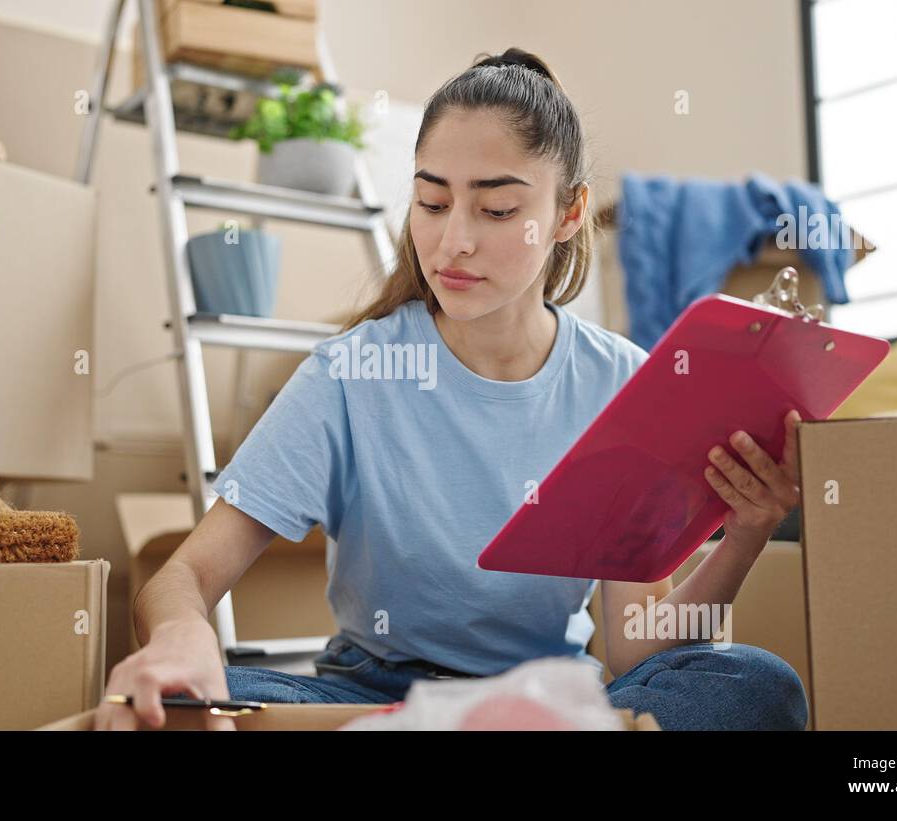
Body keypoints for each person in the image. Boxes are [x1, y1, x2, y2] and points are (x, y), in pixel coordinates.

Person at [96, 47, 809, 732]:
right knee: (203, 701)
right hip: (375, 695)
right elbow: (181, 575)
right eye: (432, 203)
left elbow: (634, 648)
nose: (452, 242)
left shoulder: (621, 382)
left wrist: (745, 533)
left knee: (756, 686)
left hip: (546, 702)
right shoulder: (349, 373)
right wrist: (182, 639)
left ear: (567, 213)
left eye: (496, 210)